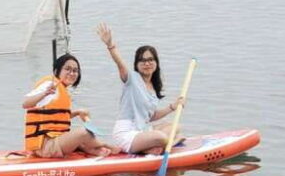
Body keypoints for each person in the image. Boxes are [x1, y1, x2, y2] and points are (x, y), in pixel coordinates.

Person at [96, 22, 184, 155]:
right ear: (137, 65)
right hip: (127, 134)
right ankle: (166, 144)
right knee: (161, 137)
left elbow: (150, 116)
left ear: (156, 63)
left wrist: (173, 107)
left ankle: (153, 148)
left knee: (175, 126)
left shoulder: (153, 88)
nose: (147, 63)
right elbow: (120, 63)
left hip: (142, 131)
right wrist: (110, 45)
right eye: (142, 60)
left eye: (150, 60)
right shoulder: (132, 79)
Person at [23, 53, 116, 158]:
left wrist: (76, 113)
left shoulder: (61, 89)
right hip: (45, 146)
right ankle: (105, 145)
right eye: (67, 69)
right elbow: (26, 103)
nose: (72, 73)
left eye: (75, 70)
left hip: (54, 141)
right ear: (56, 71)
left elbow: (56, 116)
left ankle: (94, 150)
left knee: (80, 137)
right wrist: (45, 93)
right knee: (83, 132)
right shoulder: (50, 85)